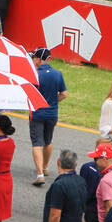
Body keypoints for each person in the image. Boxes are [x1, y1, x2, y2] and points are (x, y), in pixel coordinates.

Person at [29, 47, 68, 185]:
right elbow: (64, 94)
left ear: (39, 59)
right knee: (48, 140)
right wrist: (52, 101)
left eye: (34, 58)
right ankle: (45, 167)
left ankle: (39, 174)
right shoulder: (58, 74)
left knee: (37, 143)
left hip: (37, 113)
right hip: (52, 113)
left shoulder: (34, 75)